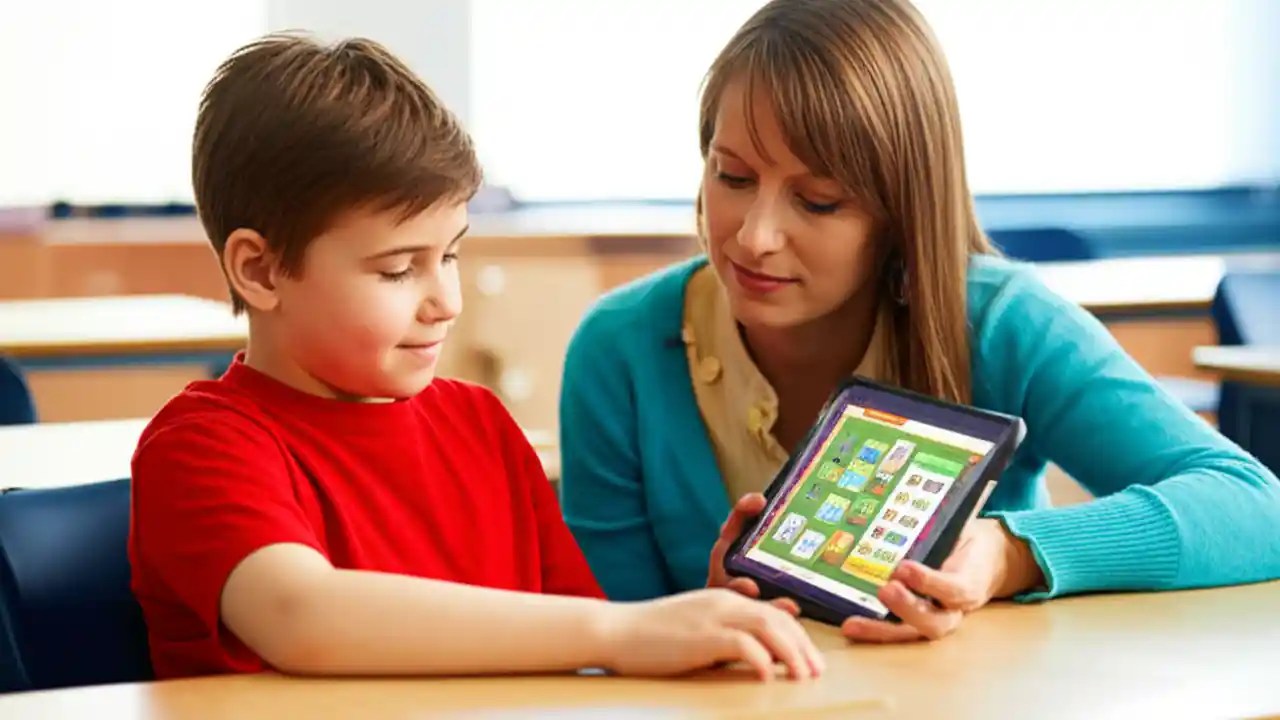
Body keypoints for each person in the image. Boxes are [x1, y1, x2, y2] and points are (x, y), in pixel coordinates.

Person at [558, 0, 1280, 643]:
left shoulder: (1001, 320)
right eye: (733, 176)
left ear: (903, 214)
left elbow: (1255, 506)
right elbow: (603, 639)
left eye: (818, 201)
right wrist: (692, 627)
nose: (753, 237)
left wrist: (1008, 554)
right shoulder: (620, 346)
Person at [129, 32, 823, 682]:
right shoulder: (201, 446)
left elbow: (578, 648)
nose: (446, 301)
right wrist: (622, 633)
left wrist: (700, 621)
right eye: (399, 269)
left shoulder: (480, 427)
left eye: (452, 254)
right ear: (261, 270)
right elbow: (299, 616)